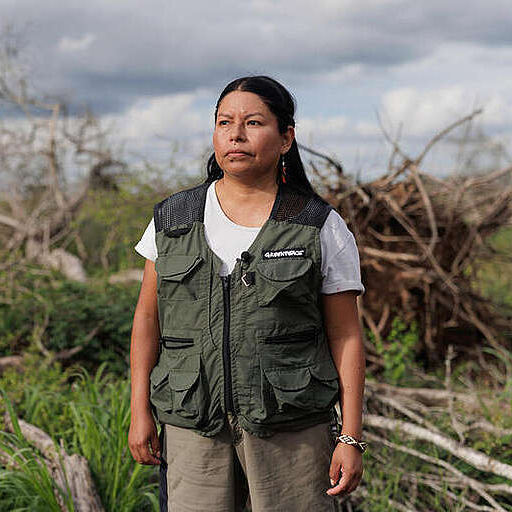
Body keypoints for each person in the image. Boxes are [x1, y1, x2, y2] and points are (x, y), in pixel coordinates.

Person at [128, 75, 366, 512]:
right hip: (190, 426)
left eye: (253, 122)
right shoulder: (173, 219)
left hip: (291, 430)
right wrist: (139, 410)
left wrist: (350, 438)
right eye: (224, 123)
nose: (236, 134)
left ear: (286, 138)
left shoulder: (318, 225)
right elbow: (147, 320)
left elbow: (347, 337)